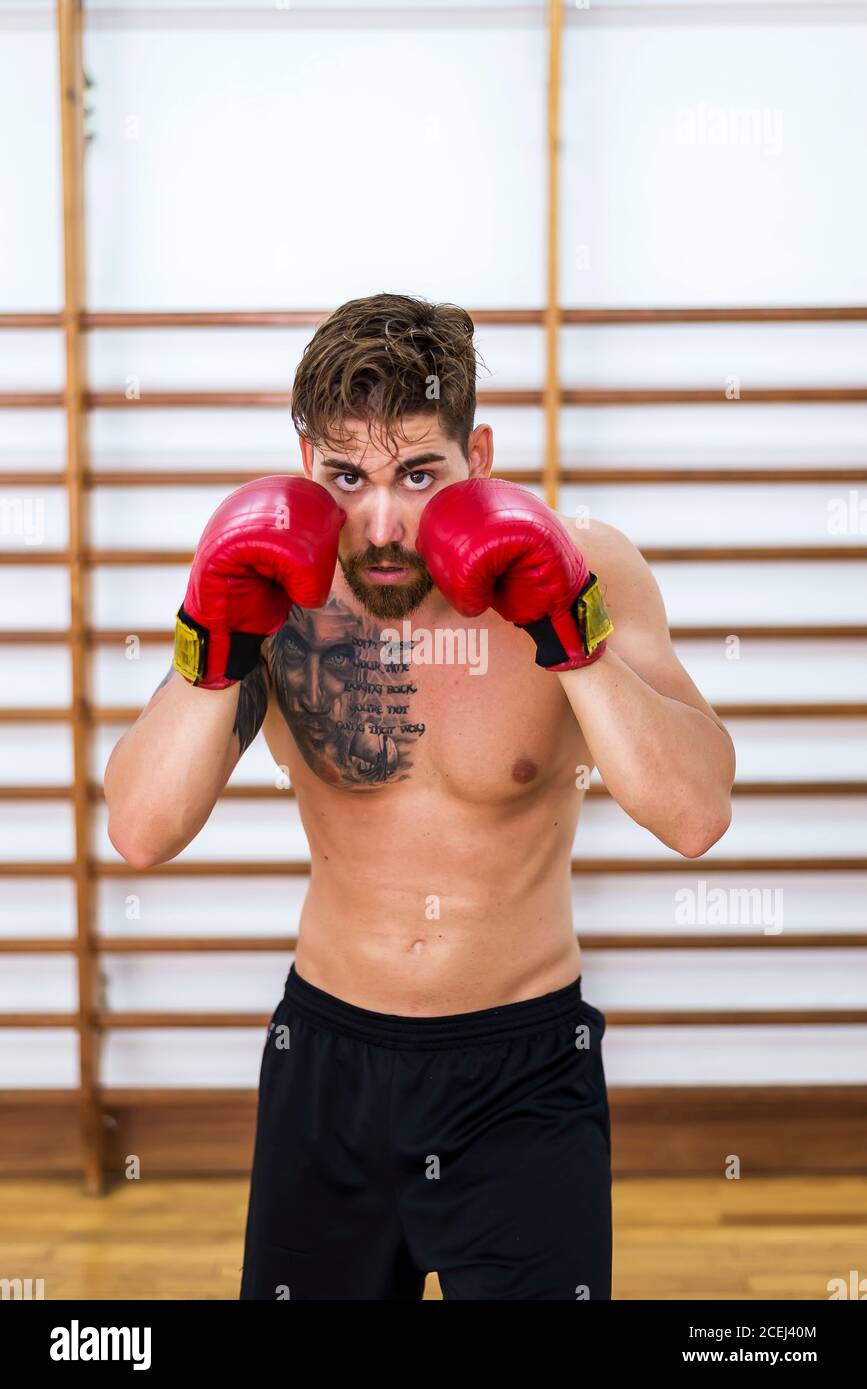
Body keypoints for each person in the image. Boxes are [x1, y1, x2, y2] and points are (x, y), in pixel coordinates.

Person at [105, 292, 735, 1300]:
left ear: (478, 454)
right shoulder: (269, 588)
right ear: (305, 460)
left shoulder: (591, 565)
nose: (384, 521)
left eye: (419, 473)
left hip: (522, 1074)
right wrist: (210, 642)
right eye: (347, 477)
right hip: (328, 1066)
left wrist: (574, 634)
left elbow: (697, 812)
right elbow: (139, 831)